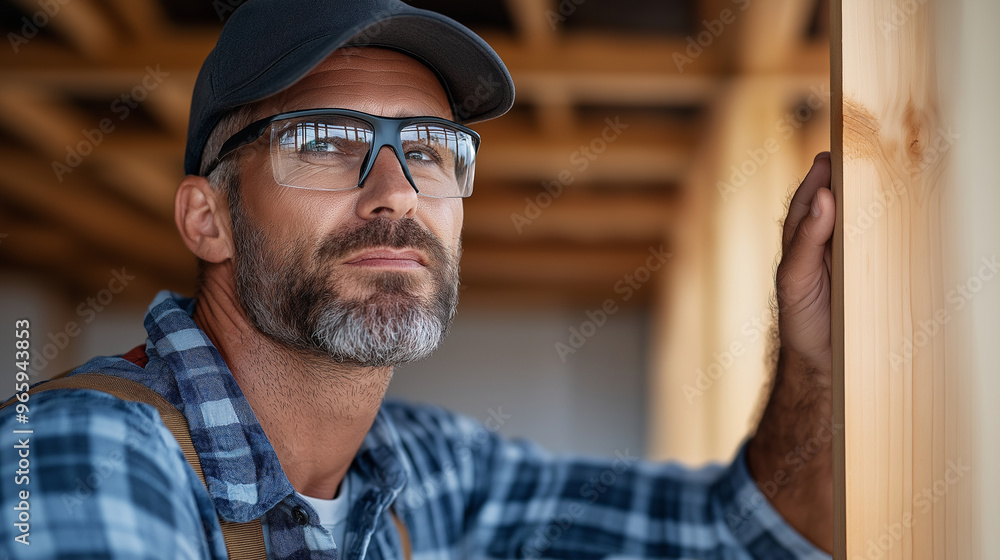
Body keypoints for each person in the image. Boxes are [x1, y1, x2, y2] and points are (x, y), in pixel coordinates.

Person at [0, 0, 837, 558]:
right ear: (206, 220)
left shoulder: (424, 473)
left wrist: (816, 367)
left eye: (431, 149)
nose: (396, 191)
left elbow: (742, 536)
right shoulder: (82, 453)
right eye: (324, 142)